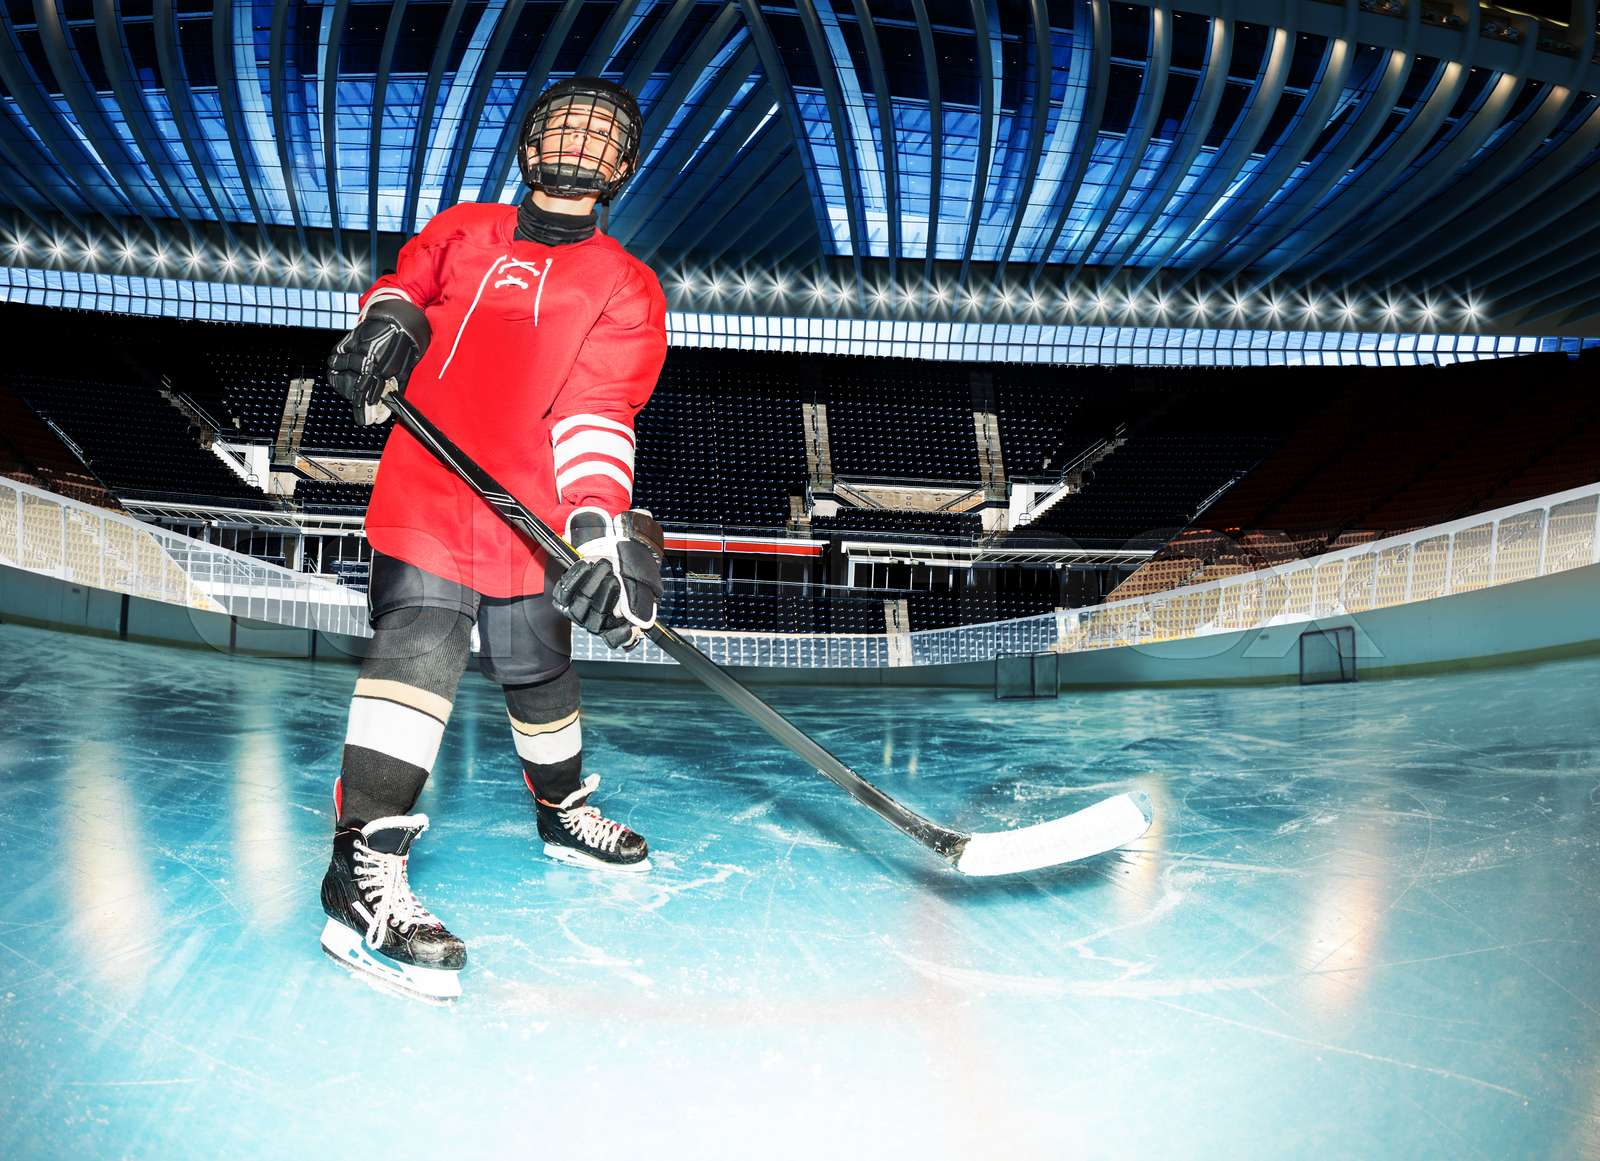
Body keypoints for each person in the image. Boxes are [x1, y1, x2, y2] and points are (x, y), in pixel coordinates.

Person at [316, 77, 668, 1001]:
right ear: (530, 147)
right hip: (429, 487)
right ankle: (359, 874)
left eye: (603, 138)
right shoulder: (464, 228)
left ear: (623, 169)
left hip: (530, 516)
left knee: (537, 666)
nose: (582, 147)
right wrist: (387, 322)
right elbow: (407, 284)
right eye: (566, 130)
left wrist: (598, 534)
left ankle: (561, 810)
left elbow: (599, 410)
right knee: (421, 640)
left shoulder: (627, 285)